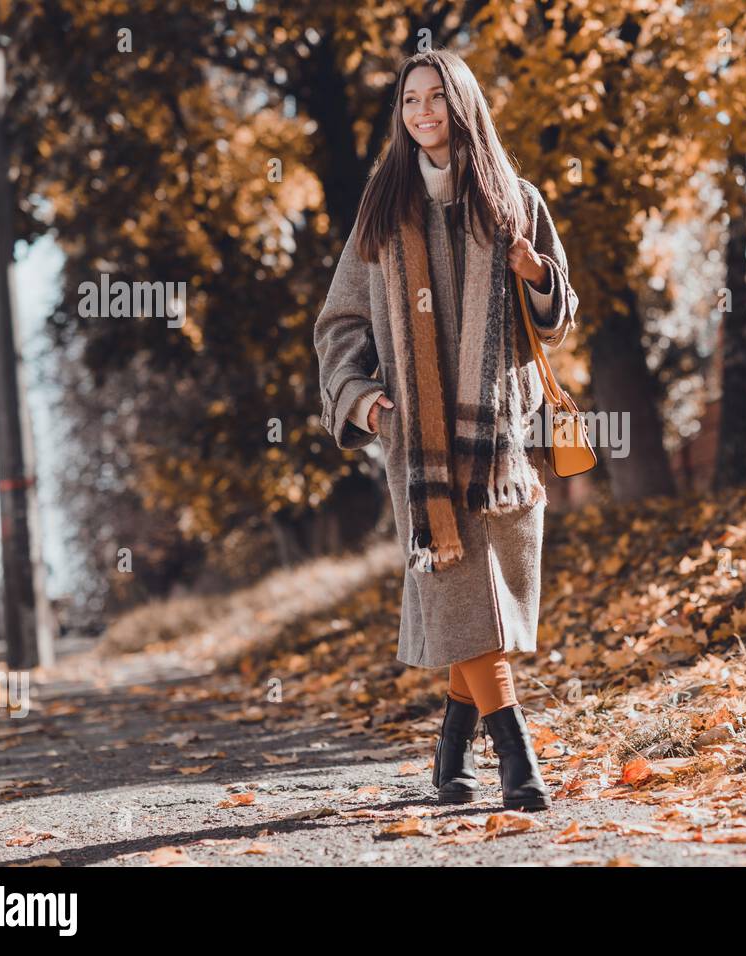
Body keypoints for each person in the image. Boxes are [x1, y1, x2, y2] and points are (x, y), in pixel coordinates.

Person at [313, 49, 578, 812]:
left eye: (436, 98)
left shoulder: (514, 199)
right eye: (410, 101)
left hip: (499, 439)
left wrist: (536, 276)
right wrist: (363, 399)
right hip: (420, 443)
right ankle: (518, 761)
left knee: (481, 602)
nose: (423, 112)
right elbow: (339, 323)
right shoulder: (383, 211)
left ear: (462, 105)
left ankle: (452, 747)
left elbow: (558, 320)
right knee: (466, 593)